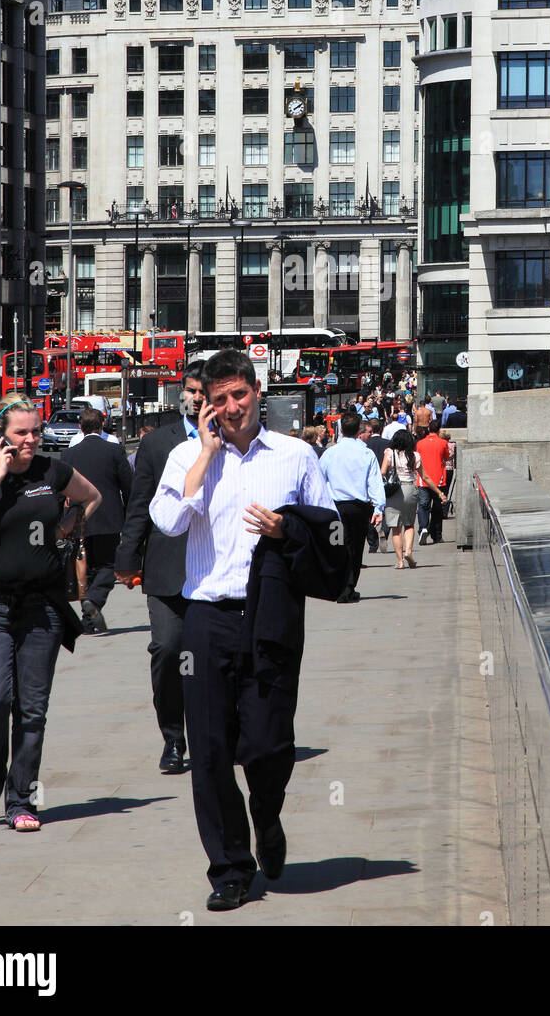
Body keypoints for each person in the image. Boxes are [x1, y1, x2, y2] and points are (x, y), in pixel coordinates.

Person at [149, 349, 338, 912]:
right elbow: (168, 521)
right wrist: (204, 458)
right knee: (208, 749)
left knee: (269, 742)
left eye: (240, 395)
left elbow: (328, 534)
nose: (231, 408)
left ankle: (268, 816)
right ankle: (230, 867)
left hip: (272, 614)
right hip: (206, 616)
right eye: (218, 399)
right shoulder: (187, 455)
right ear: (204, 404)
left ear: (259, 392)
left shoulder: (296, 454)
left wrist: (286, 529)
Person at [0, 397, 100, 831]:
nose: (32, 440)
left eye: (36, 431)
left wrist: (67, 527)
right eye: (21, 433)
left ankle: (21, 800)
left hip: (41, 606)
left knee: (32, 709)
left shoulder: (54, 471)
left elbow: (92, 496)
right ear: (1, 436)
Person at [115, 363, 206, 774]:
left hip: (217, 568)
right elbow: (139, 506)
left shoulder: (233, 439)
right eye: (190, 390)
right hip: (167, 568)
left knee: (214, 656)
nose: (197, 398)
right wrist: (126, 557)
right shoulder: (156, 446)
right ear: (180, 394)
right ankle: (174, 738)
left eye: (204, 391)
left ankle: (219, 731)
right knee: (168, 650)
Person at [65, 407, 133, 634]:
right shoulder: (114, 450)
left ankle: (88, 621)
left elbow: (60, 488)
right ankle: (93, 600)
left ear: (80, 428)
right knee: (108, 564)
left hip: (78, 518)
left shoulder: (69, 454)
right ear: (102, 426)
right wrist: (130, 512)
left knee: (88, 568)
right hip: (109, 517)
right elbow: (128, 485)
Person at [318, 409, 385, 603]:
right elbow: (375, 482)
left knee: (337, 546)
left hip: (335, 510)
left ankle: (338, 586)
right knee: (355, 548)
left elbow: (318, 481)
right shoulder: (366, 453)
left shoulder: (330, 454)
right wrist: (379, 508)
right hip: (358, 509)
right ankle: (349, 586)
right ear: (358, 431)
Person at [381, 429, 445, 570]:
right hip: (410, 489)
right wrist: (439, 492)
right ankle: (408, 551)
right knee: (409, 524)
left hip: (393, 491)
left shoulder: (389, 453)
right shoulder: (415, 456)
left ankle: (400, 561)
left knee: (396, 528)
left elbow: (382, 472)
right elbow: (425, 477)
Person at [415, 419, 451, 545]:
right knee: (437, 509)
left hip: (423, 480)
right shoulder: (443, 443)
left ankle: (423, 528)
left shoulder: (420, 443)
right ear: (439, 430)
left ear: (429, 429)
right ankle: (436, 535)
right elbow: (446, 457)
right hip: (439, 480)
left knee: (423, 506)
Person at [361, 418, 389, 554]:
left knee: (369, 514)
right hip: (385, 482)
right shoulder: (387, 444)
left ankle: (372, 543)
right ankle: (384, 531)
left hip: (368, 483)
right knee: (385, 510)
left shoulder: (365, 444)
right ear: (381, 429)